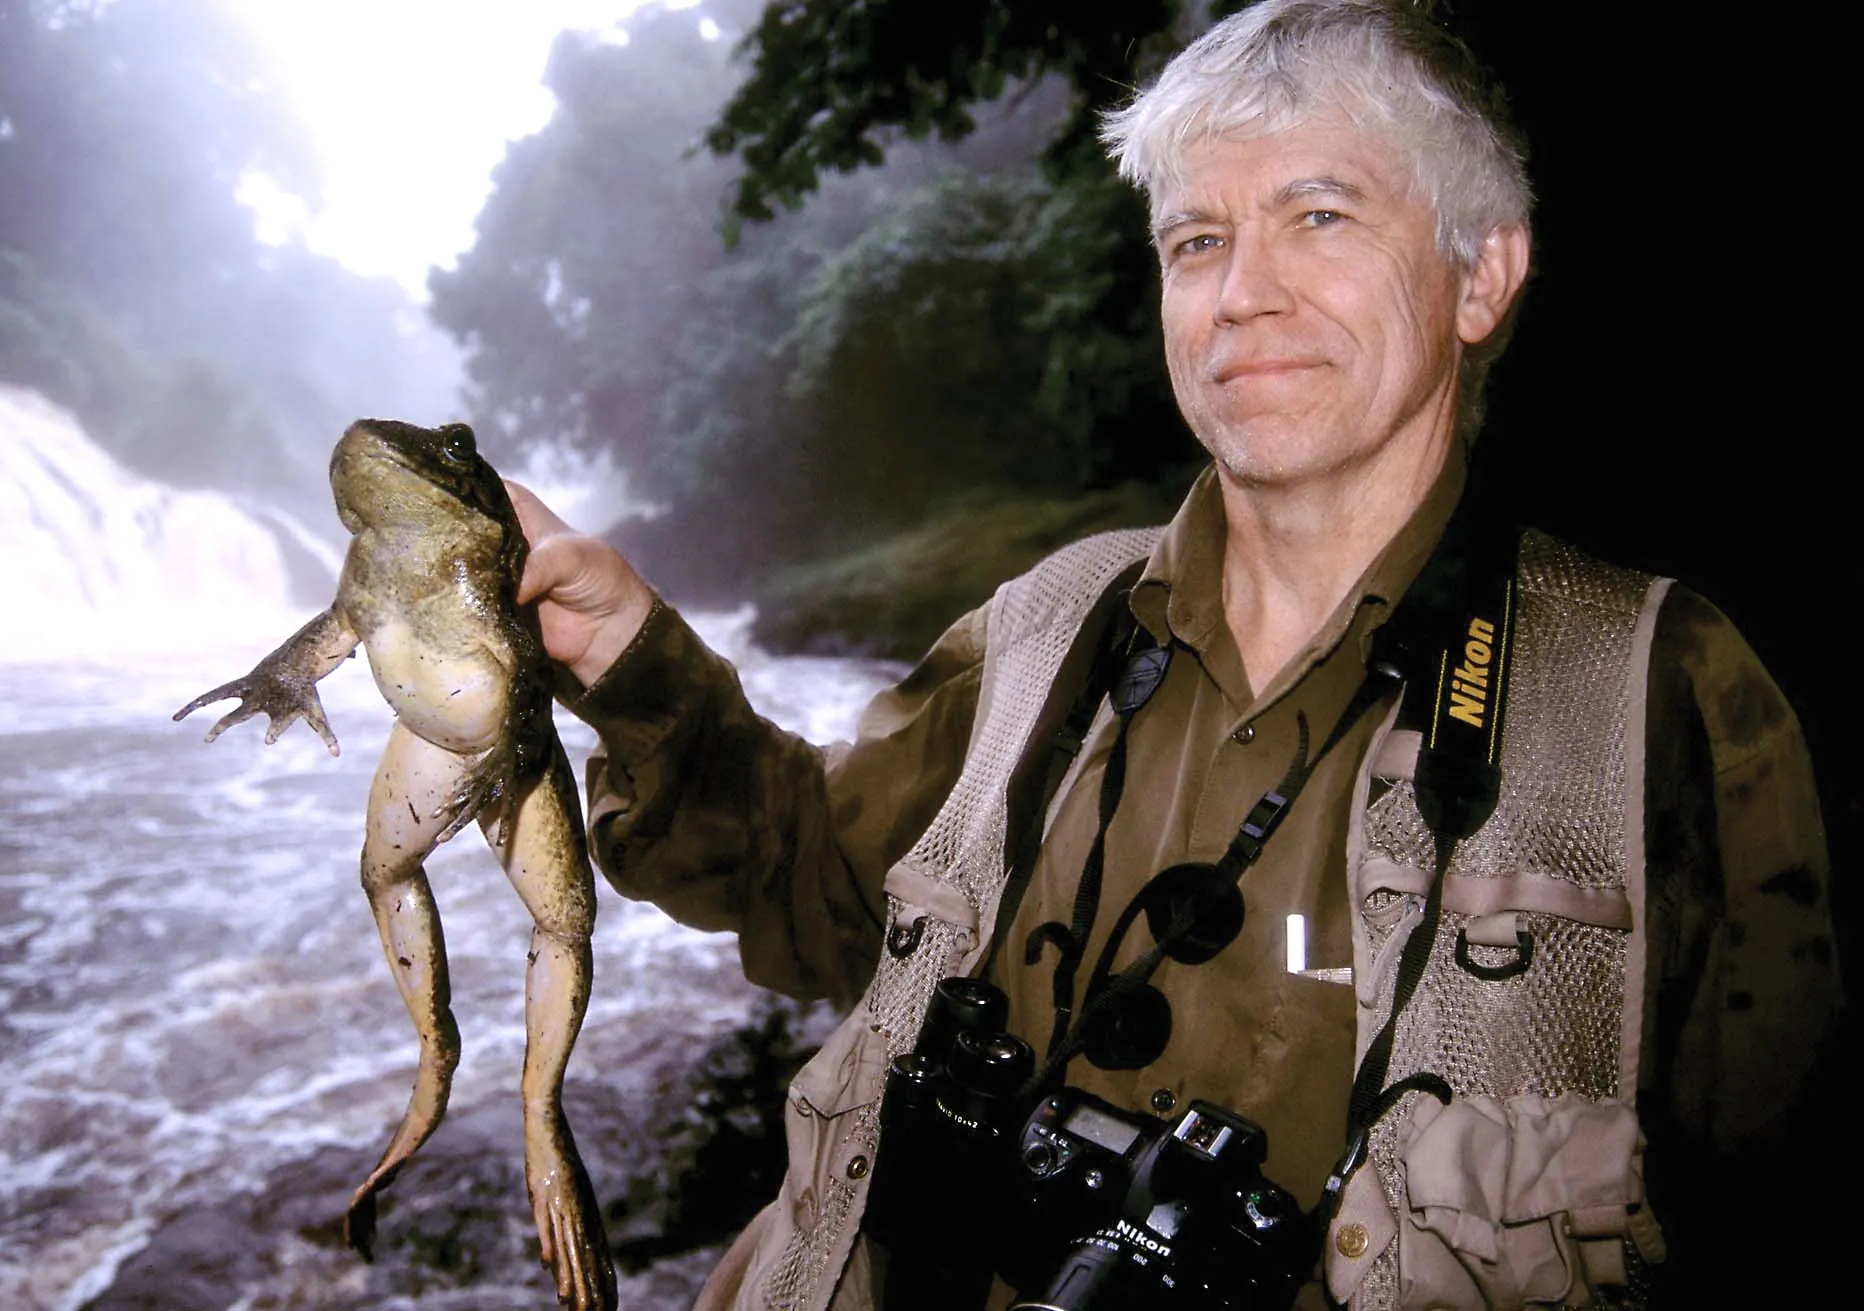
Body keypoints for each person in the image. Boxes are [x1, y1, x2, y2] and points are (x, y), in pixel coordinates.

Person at [508, 2, 1840, 1306]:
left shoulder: (1667, 693)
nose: (1242, 296)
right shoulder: (1051, 624)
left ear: (1482, 273)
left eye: (1320, 217)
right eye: (1197, 239)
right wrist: (630, 656)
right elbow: (814, 885)